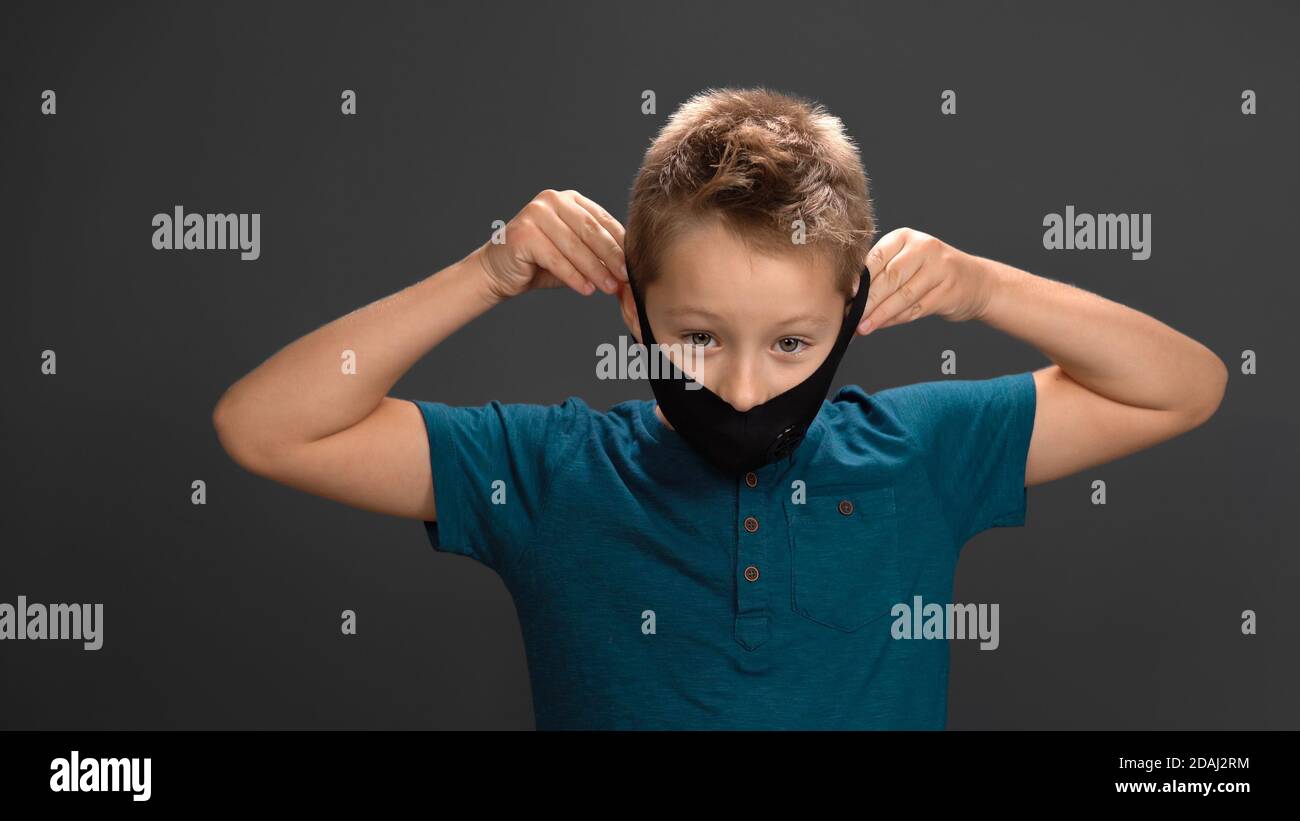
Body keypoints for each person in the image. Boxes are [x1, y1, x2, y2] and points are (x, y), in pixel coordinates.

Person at [212, 86, 1227, 730]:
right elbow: (265, 425)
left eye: (791, 342)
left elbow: (1184, 384)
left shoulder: (919, 453)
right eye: (698, 336)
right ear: (630, 300)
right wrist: (485, 273)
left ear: (851, 313)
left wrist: (986, 289)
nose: (744, 388)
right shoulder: (544, 471)